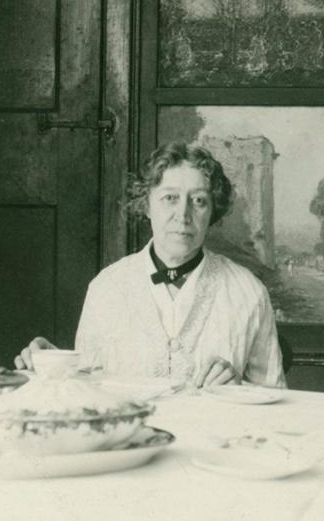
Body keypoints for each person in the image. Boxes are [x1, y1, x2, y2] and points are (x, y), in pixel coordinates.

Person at [15, 141, 286, 388]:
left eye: (199, 201)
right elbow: (87, 389)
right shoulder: (107, 287)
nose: (183, 215)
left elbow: (277, 402)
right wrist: (52, 364)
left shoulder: (248, 292)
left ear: (212, 210)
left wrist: (239, 388)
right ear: (146, 205)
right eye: (170, 198)